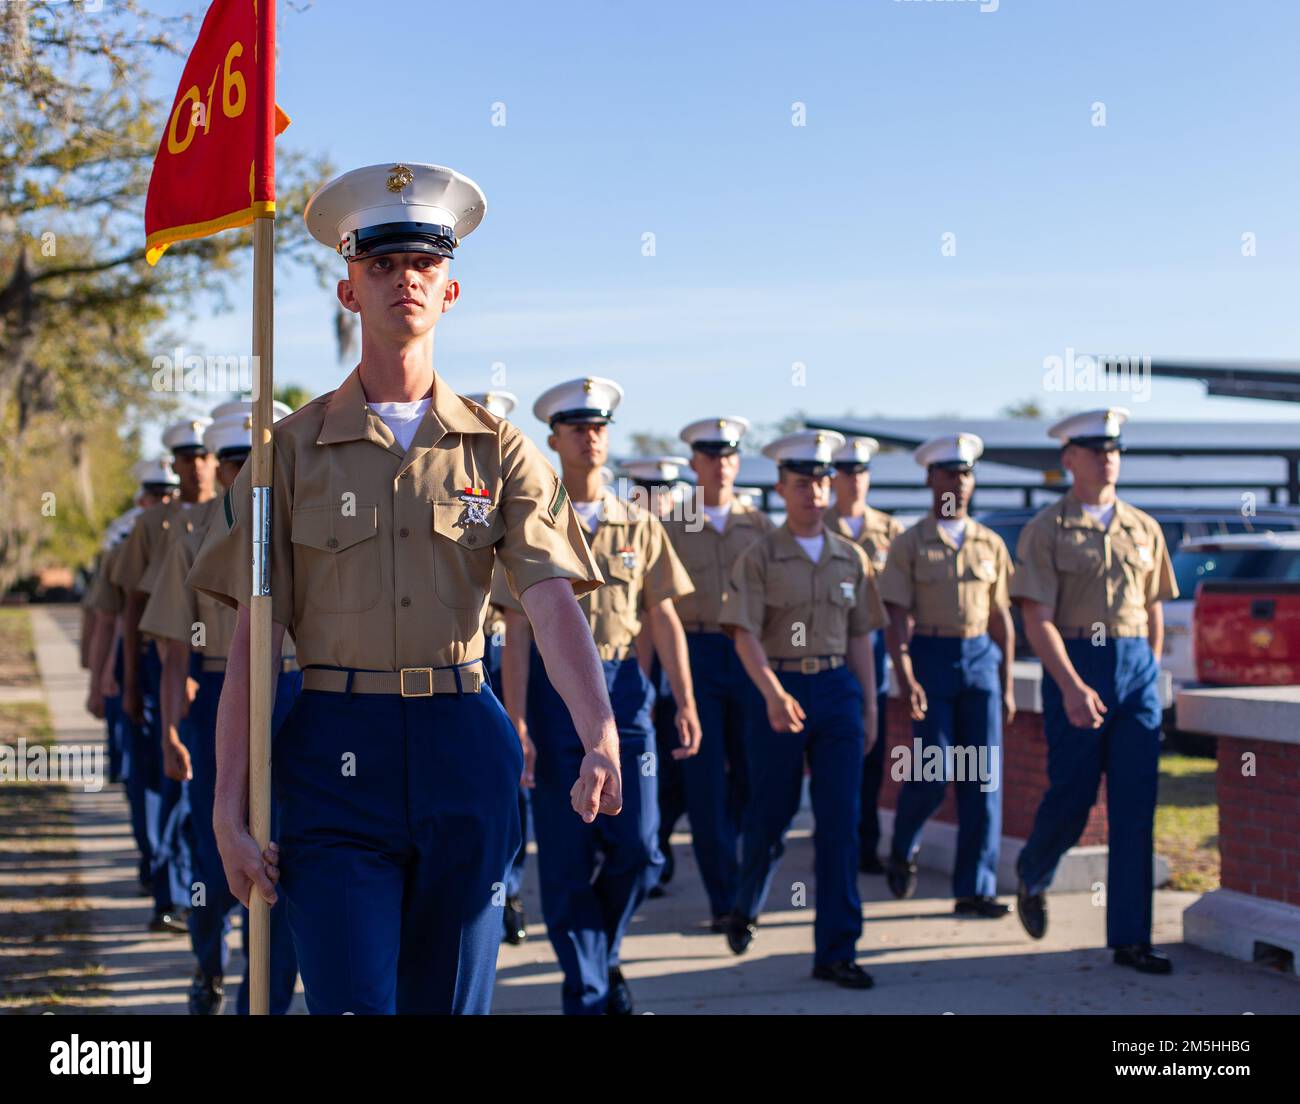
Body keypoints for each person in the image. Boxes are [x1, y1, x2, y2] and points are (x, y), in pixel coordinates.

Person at [187, 162, 615, 1015]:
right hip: (330, 754)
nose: (403, 281)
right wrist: (227, 808)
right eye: (380, 265)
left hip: (463, 740)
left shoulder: (502, 451)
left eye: (422, 265)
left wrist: (598, 729)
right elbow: (253, 641)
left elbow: (549, 601)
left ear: (450, 290)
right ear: (349, 290)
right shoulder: (284, 456)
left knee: (448, 1003)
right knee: (351, 1000)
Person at [493, 377, 700, 1014]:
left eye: (600, 427)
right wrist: (519, 722)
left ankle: (601, 957)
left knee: (638, 850)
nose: (591, 437)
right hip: (556, 704)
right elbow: (521, 633)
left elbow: (662, 617)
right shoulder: (534, 522)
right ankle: (587, 990)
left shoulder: (638, 523)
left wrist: (684, 701)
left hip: (628, 696)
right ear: (553, 439)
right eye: (578, 428)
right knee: (564, 854)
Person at [141, 401, 300, 1014]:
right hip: (220, 693)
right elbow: (175, 640)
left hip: (296, 692)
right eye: (233, 462)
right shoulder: (189, 531)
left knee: (284, 854)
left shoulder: (296, 519)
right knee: (218, 842)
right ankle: (209, 962)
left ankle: (266, 997)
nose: (242, 475)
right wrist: (171, 730)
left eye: (254, 462)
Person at [1010, 407, 1176, 975]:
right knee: (1074, 799)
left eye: (1114, 448)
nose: (1108, 457)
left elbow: (1155, 609)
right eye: (1094, 449)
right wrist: (1073, 686)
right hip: (1077, 665)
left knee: (1136, 809)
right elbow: (1037, 619)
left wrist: (1148, 671)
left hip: (1134, 673)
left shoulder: (1143, 527)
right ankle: (1034, 870)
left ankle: (1130, 939)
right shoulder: (1047, 530)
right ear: (1069, 459)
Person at [720, 429, 883, 989]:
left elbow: (861, 636)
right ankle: (745, 904)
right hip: (779, 691)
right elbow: (744, 635)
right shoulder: (760, 555)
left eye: (821, 482)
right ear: (782, 490)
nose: (815, 492)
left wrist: (870, 706)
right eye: (802, 484)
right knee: (770, 818)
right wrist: (771, 693)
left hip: (837, 691)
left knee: (840, 824)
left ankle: (837, 950)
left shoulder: (851, 557)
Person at [876, 433, 1015, 918]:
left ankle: (974, 889)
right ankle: (903, 846)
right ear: (930, 480)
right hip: (931, 657)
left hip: (980, 658)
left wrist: (1009, 682)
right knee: (933, 773)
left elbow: (1001, 617)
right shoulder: (910, 543)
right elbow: (896, 617)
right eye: (948, 473)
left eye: (965, 473)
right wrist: (905, 674)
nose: (957, 481)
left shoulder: (990, 543)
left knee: (983, 778)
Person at [657, 418, 771, 928]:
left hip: (749, 652)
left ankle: (748, 887)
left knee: (753, 776)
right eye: (710, 456)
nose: (721, 465)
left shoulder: (763, 528)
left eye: (728, 456)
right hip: (696, 651)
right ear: (694, 465)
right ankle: (724, 901)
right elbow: (654, 607)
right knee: (704, 782)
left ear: (737, 463)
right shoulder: (672, 526)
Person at [112, 420, 218, 931]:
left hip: (219, 665)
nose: (197, 466)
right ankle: (172, 894)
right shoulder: (157, 527)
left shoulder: (234, 515)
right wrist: (129, 680)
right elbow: (133, 608)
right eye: (187, 458)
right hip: (169, 659)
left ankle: (199, 896)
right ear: (174, 464)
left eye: (205, 457)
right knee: (169, 784)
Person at [466, 388, 530, 946]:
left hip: (507, 651)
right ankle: (500, 888)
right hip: (464, 658)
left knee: (511, 786)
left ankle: (509, 886)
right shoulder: (466, 499)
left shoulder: (519, 496)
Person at [825, 435, 904, 875]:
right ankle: (833, 837)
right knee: (834, 752)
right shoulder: (819, 526)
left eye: (860, 472)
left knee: (873, 752)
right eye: (846, 472)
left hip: (873, 648)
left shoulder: (890, 531)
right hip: (831, 646)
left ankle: (866, 844)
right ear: (833, 478)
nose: (854, 481)